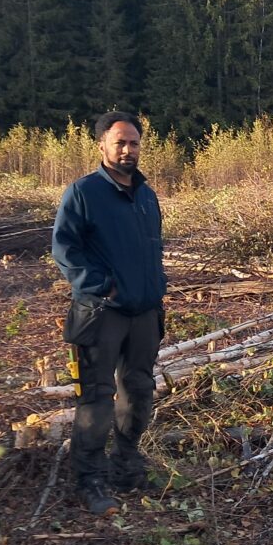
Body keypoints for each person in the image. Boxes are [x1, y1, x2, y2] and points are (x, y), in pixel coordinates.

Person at [51, 112, 167, 514]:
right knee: (97, 400)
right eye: (119, 142)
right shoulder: (84, 193)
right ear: (101, 145)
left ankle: (126, 465)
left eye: (133, 142)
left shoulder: (146, 195)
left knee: (138, 393)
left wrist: (156, 290)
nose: (127, 149)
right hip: (101, 314)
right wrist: (102, 286)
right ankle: (90, 480)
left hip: (144, 314)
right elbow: (64, 249)